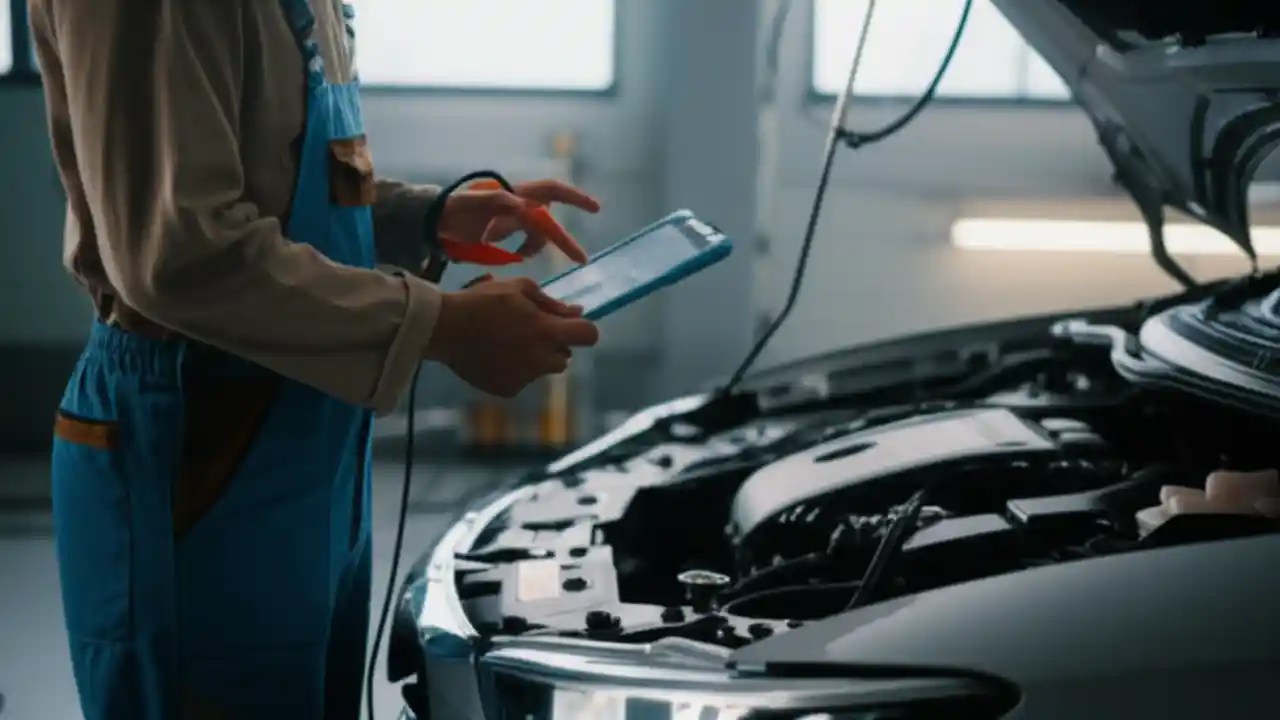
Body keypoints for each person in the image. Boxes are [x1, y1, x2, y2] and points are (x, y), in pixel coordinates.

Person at [30, 0, 602, 717]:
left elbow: (276, 177)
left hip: (313, 435)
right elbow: (179, 253)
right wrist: (443, 325)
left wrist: (424, 216)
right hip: (197, 436)